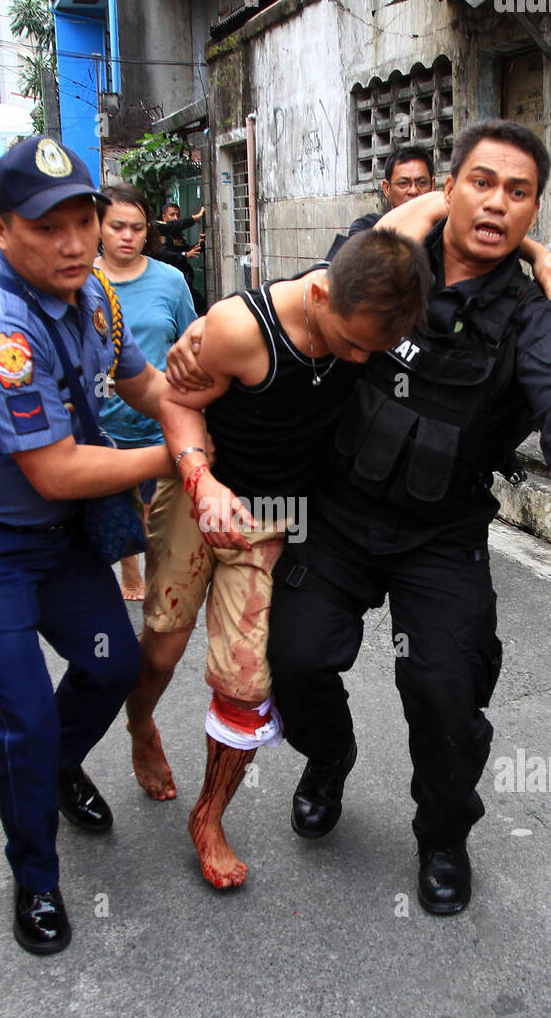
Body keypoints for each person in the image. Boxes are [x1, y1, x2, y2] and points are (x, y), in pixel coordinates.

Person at [266, 119, 551, 917]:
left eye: (519, 193)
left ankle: (442, 835)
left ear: (537, 211)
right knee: (292, 660)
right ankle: (328, 757)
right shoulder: (385, 259)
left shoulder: (533, 320)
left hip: (440, 535)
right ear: (446, 189)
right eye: (481, 183)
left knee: (446, 697)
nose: (497, 204)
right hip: (336, 516)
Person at [0, 135, 173, 956]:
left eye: (84, 219)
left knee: (111, 664)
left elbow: (147, 384)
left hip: (56, 542)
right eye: (47, 225)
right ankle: (36, 878)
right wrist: (182, 458)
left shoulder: (93, 298)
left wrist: (200, 416)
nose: (74, 241)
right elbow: (55, 471)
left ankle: (54, 768)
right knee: (19, 713)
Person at [145, 229, 429, 889]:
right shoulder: (237, 329)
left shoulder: (375, 286)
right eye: (351, 342)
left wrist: (535, 252)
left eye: (373, 349)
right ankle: (140, 724)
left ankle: (209, 815)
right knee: (160, 646)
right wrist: (202, 482)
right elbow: (177, 399)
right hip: (201, 494)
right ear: (322, 289)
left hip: (275, 516)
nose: (359, 358)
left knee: (248, 681)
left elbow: (440, 204)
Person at [94, 181, 196, 599]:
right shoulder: (83, 281)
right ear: (98, 227)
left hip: (160, 413)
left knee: (157, 508)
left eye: (137, 227)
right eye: (117, 226)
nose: (127, 236)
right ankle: (129, 573)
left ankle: (155, 576)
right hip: (101, 421)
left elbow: (192, 340)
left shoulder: (170, 281)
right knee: (118, 503)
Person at [327, 145, 434, 260]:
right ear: (387, 188)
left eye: (422, 183)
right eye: (403, 183)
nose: (413, 190)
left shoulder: (443, 229)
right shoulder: (366, 226)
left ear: (433, 186)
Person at [155, 199, 206, 314]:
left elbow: (185, 248)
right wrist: (184, 255)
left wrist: (200, 245)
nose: (176, 218)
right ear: (164, 217)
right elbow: (163, 255)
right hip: (169, 281)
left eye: (178, 215)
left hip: (183, 278)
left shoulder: (178, 233)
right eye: (172, 215)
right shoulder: (161, 233)